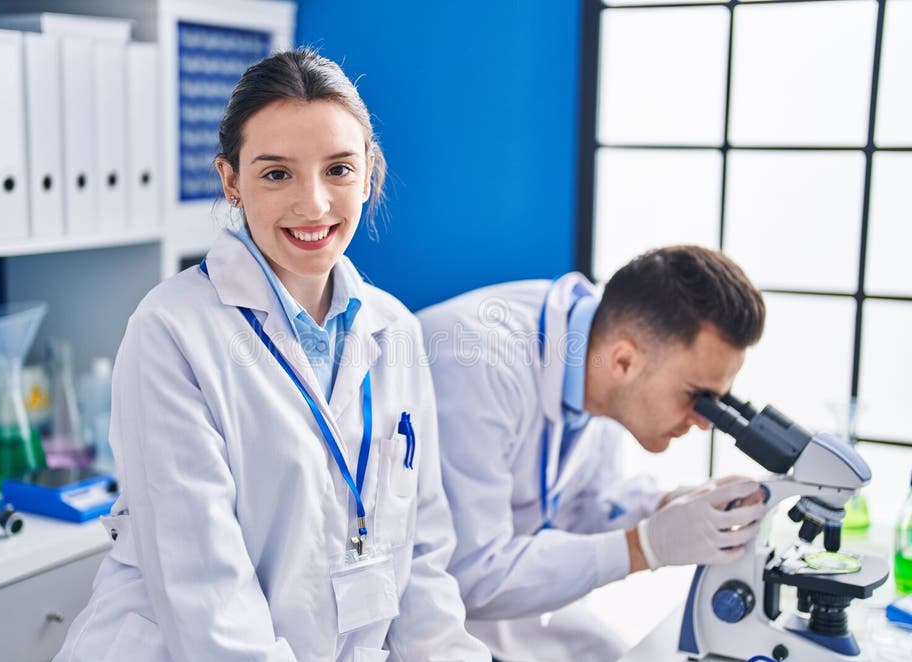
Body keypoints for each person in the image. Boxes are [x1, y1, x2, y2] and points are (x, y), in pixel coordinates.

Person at [56, 48, 489, 662]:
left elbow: (420, 563)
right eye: (277, 174)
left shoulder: (395, 330)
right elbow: (209, 596)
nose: (313, 205)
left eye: (338, 169)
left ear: (369, 172)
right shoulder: (171, 331)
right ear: (232, 182)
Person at [417, 245, 769, 661]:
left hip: (506, 613)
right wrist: (645, 546)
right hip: (422, 624)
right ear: (623, 361)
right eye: (698, 396)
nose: (706, 421)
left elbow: (585, 506)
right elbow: (473, 575)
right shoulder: (478, 364)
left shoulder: (598, 356)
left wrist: (673, 506)